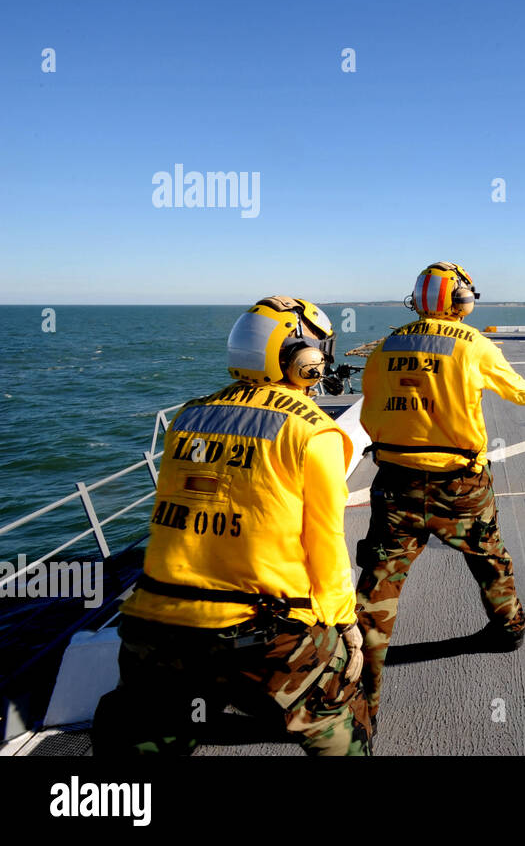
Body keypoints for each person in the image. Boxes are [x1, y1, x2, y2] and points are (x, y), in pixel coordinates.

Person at [93, 296, 371, 756]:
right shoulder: (314, 432)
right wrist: (345, 624)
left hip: (157, 624)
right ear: (302, 359)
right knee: (338, 721)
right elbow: (325, 542)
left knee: (143, 740)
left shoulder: (188, 417)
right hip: (262, 630)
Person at [355, 262, 525, 721]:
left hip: (396, 481)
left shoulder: (387, 344)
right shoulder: (474, 345)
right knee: (488, 555)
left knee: (377, 583)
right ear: (460, 300)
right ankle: (508, 629)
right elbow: (516, 390)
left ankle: (358, 702)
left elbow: (370, 410)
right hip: (460, 483)